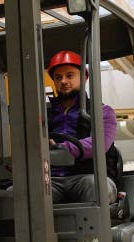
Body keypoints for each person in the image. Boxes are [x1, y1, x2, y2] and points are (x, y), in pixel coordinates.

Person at [47, 50, 119, 204]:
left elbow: (98, 145)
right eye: (58, 77)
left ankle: (96, 228)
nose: (64, 81)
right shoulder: (45, 114)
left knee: (97, 186)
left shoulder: (103, 112)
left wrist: (62, 149)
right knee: (17, 193)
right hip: (50, 179)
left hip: (86, 176)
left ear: (84, 77)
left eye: (70, 75)